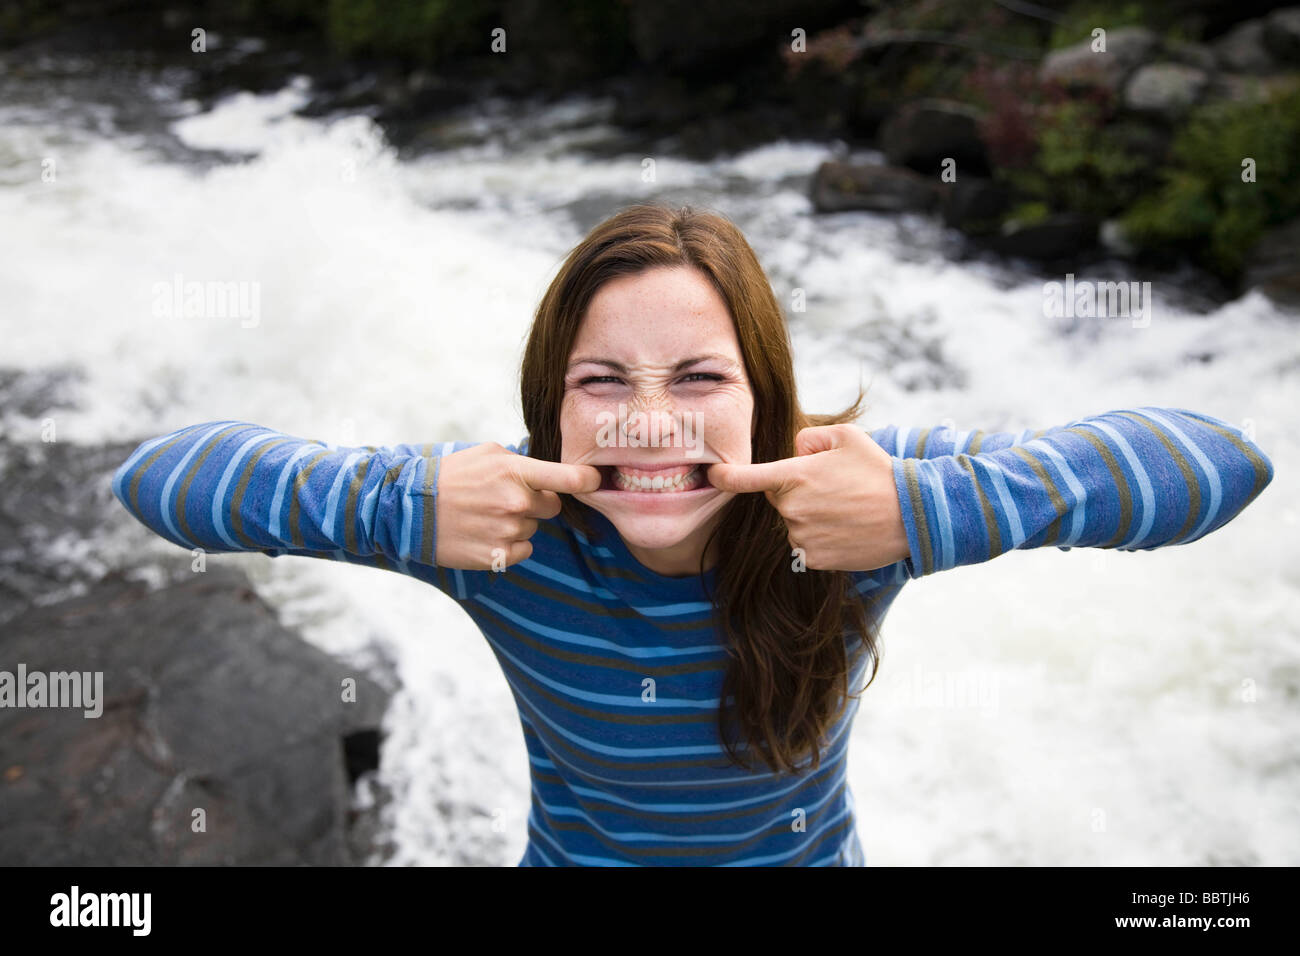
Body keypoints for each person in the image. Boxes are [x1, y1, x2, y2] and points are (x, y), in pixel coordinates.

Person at [112, 202, 1275, 866]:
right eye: (601, 377)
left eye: (701, 375)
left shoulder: (851, 498)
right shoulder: (503, 524)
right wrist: (405, 502)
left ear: (767, 397)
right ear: (548, 407)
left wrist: (928, 509)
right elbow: (163, 476)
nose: (652, 416)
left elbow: (1218, 462)